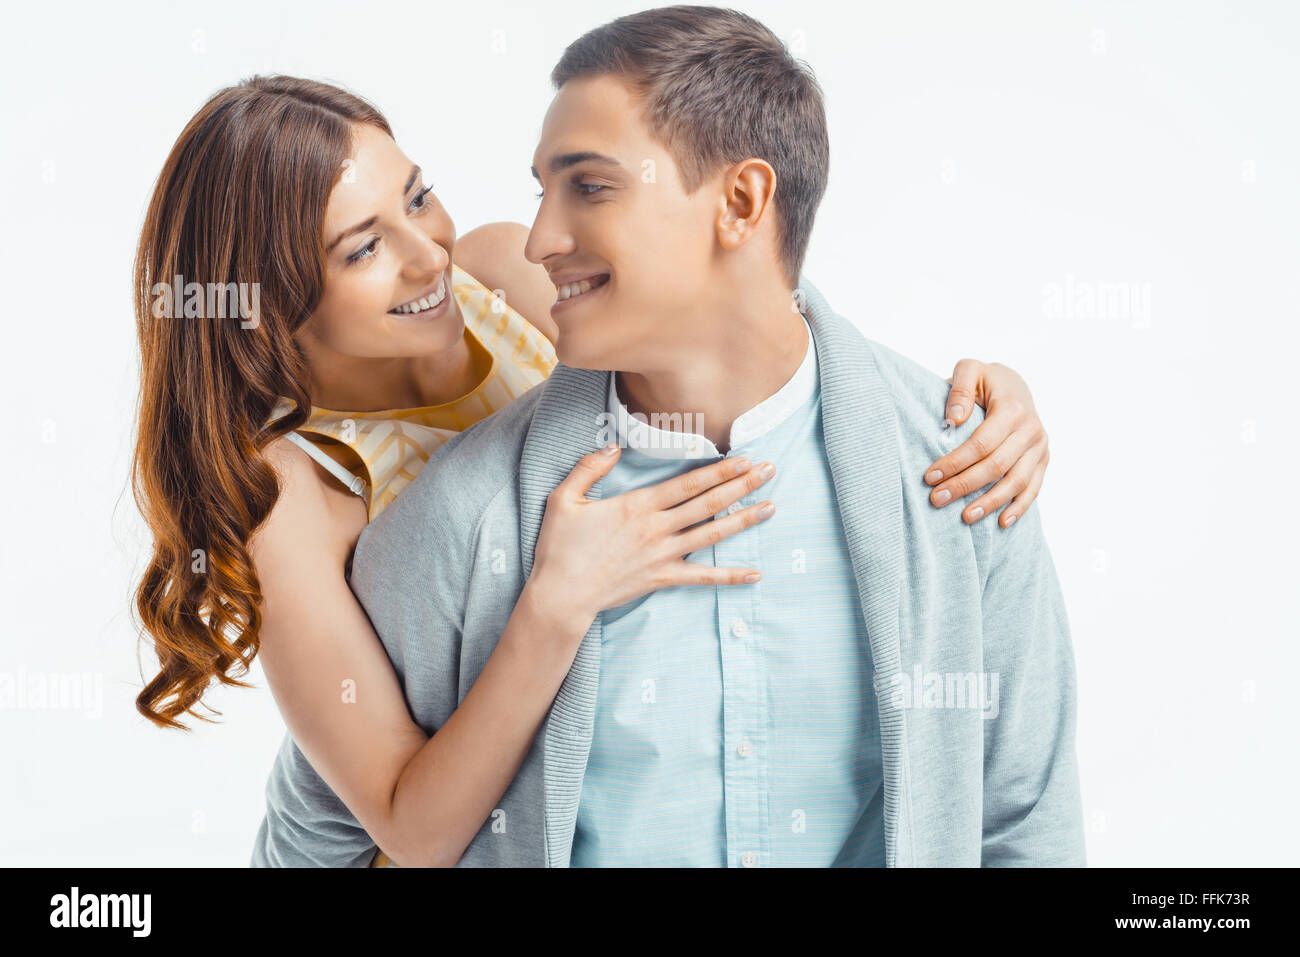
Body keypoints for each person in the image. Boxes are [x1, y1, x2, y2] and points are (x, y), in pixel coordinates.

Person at [128, 72, 1053, 867]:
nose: (426, 255)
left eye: (416, 198)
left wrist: (948, 396)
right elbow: (410, 827)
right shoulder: (293, 490)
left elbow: (707, 307)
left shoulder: (498, 274)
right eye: (363, 248)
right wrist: (557, 602)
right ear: (265, 302)